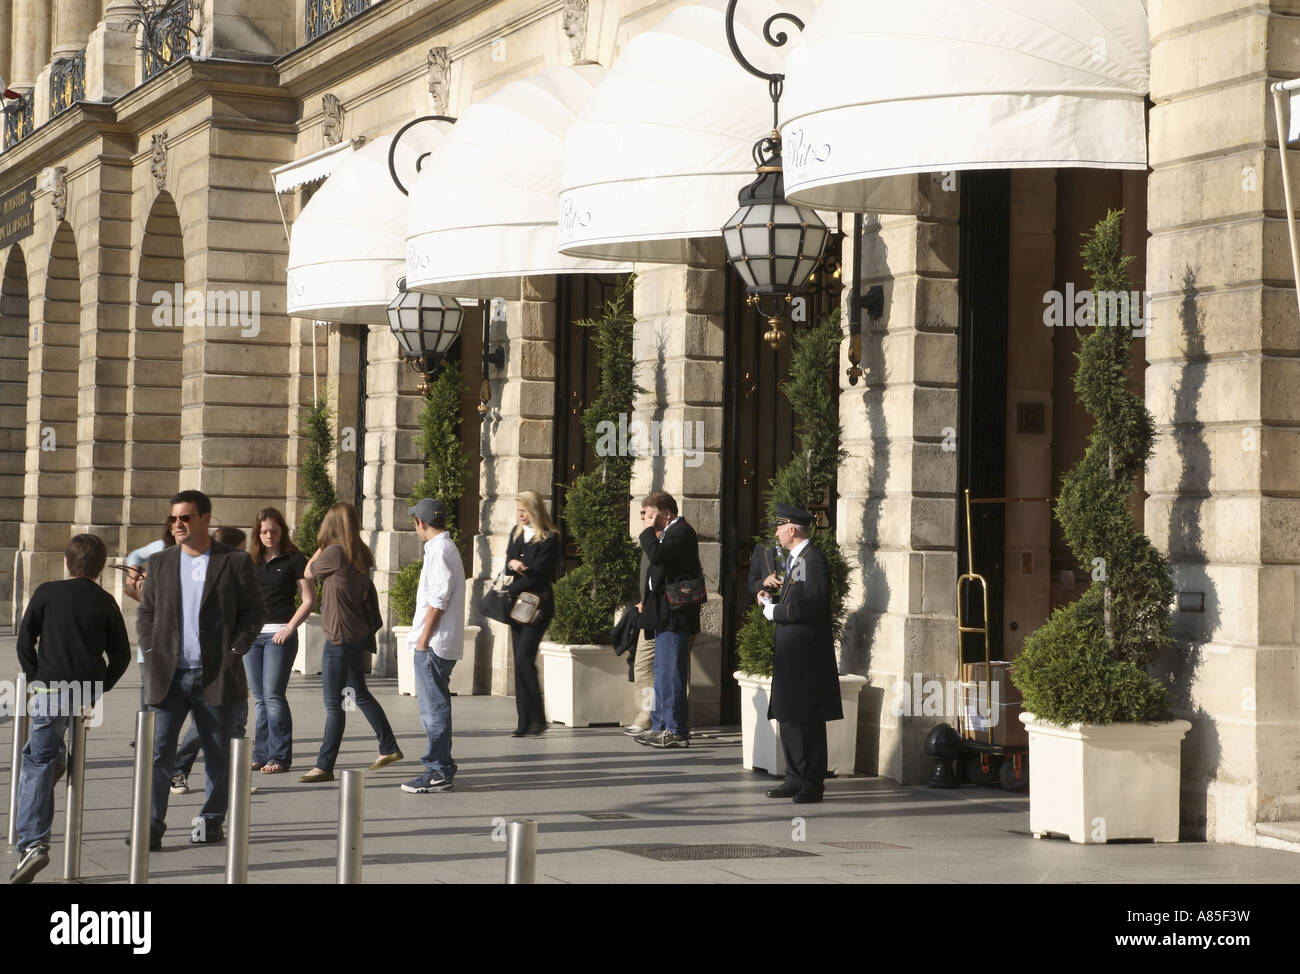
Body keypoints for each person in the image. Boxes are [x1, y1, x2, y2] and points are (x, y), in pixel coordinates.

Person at [133, 490, 266, 848]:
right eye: (174, 518)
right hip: (168, 676)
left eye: (185, 518)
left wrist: (235, 651)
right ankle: (151, 825)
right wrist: (150, 648)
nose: (177, 524)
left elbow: (254, 611)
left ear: (206, 519)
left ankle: (210, 821)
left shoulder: (234, 561)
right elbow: (146, 613)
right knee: (159, 753)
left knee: (217, 752)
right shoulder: (161, 563)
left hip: (216, 674)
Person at [10, 535, 131, 883]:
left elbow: (24, 640)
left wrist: (35, 677)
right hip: (84, 694)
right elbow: (120, 655)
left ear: (66, 562)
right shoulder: (106, 601)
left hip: (50, 689)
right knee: (51, 756)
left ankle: (33, 843)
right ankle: (56, 766)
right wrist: (100, 686)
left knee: (36, 762)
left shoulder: (48, 592)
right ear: (102, 567)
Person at [299, 502, 401, 783]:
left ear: (331, 526)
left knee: (334, 705)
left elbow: (308, 572)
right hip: (357, 635)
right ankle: (388, 747)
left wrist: (321, 544)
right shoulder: (361, 553)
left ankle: (324, 764)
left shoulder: (334, 552)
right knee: (360, 693)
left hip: (339, 638)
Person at [757, 503, 842, 804]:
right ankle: (794, 777)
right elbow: (800, 599)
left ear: (792, 529)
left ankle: (811, 782)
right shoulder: (797, 558)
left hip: (806, 656)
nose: (777, 533)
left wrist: (775, 611)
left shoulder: (812, 560)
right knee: (789, 717)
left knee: (807, 720)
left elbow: (815, 606)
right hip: (792, 654)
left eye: (779, 528)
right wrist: (772, 600)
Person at [170, 526, 253, 792]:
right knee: (206, 722)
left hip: (230, 659)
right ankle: (179, 769)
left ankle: (235, 779)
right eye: (241, 549)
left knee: (237, 717)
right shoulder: (209, 577)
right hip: (207, 663)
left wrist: (238, 648)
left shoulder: (237, 575)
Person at [401, 498, 464, 793]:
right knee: (437, 706)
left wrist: (424, 639)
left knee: (433, 709)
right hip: (439, 642)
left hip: (434, 644)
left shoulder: (439, 550)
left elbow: (438, 599)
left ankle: (437, 769)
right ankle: (443, 766)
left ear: (421, 523)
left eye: (415, 521)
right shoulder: (444, 548)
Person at [635, 490, 702, 749]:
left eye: (651, 516)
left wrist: (647, 533)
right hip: (664, 614)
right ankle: (659, 724)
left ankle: (676, 729)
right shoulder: (668, 533)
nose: (647, 521)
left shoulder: (681, 532)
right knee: (661, 672)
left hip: (677, 614)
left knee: (672, 672)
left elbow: (658, 557)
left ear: (667, 514)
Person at [503, 490, 558, 737]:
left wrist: (509, 587)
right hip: (517, 607)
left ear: (535, 510)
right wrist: (512, 565)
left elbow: (540, 573)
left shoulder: (550, 538)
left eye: (525, 510)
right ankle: (523, 721)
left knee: (525, 659)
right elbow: (508, 561)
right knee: (519, 662)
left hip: (538, 606)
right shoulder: (517, 534)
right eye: (519, 510)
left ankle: (537, 718)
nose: (521, 514)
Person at [622, 503, 657, 736]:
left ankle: (668, 720)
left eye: (648, 514)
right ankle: (645, 717)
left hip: (664, 615)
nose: (643, 517)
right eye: (642, 513)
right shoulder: (647, 542)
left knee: (672, 671)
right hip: (649, 614)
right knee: (643, 667)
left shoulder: (666, 541)